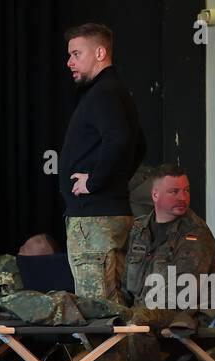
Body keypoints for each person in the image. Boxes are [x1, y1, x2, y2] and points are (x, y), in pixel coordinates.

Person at [88, 164, 215, 361]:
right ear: (155, 195)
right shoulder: (138, 229)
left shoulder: (195, 234)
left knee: (138, 322)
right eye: (174, 191)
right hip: (141, 309)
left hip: (182, 313)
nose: (183, 197)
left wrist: (130, 313)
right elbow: (125, 279)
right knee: (97, 314)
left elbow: (182, 294)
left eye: (186, 190)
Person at [59, 23, 146, 301]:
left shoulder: (104, 93)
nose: (69, 61)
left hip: (95, 219)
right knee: (112, 302)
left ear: (99, 53)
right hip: (105, 214)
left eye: (76, 54)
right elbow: (139, 145)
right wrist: (112, 180)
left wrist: (95, 181)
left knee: (99, 308)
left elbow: (120, 140)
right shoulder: (115, 90)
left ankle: (106, 347)